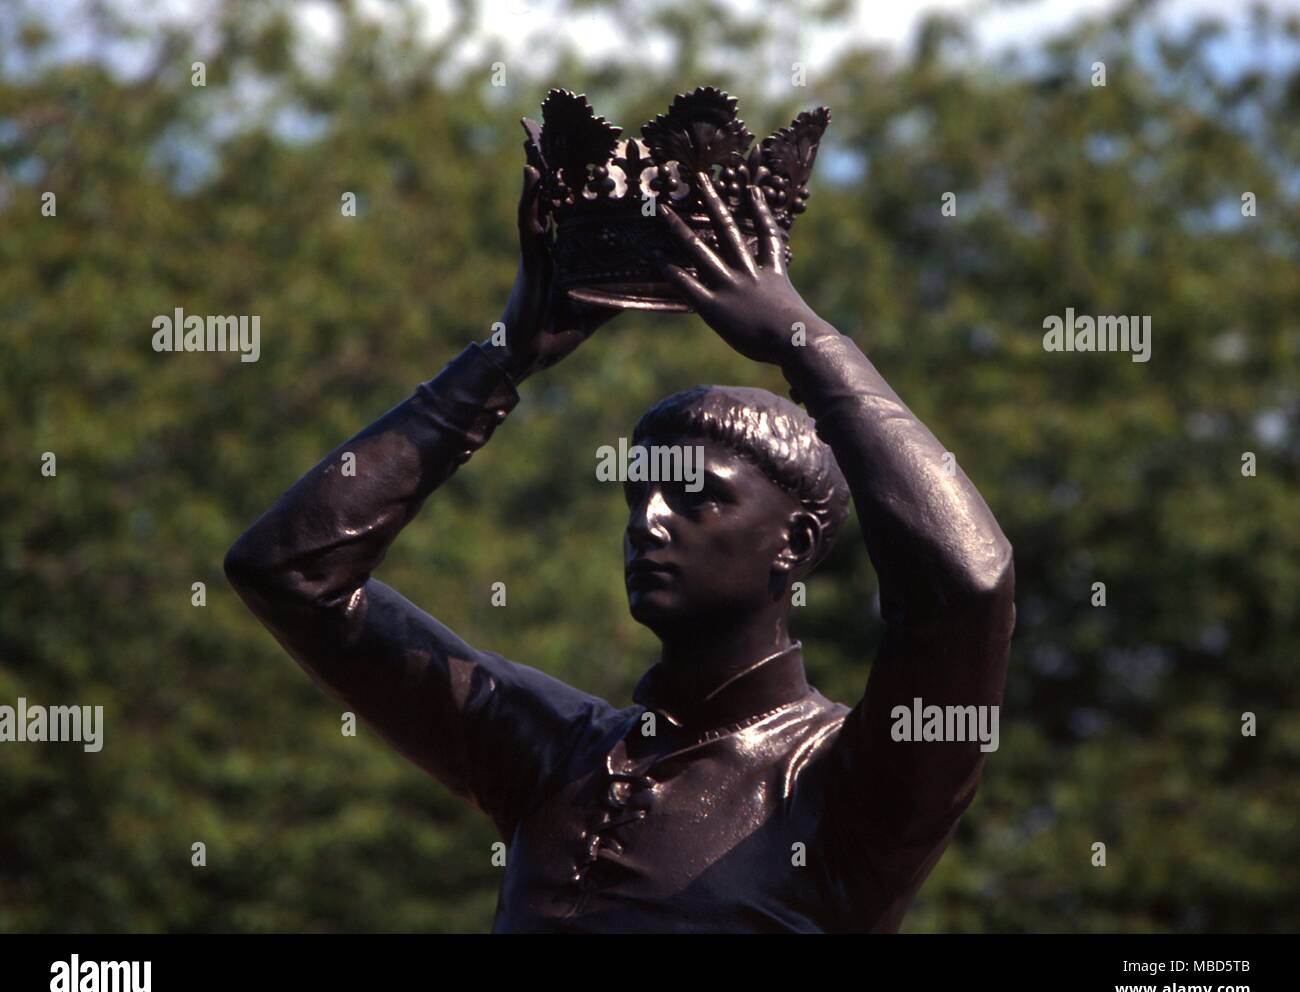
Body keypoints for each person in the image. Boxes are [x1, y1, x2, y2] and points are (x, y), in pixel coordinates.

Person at [225, 162, 1015, 933]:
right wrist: (504, 355)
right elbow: (292, 572)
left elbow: (969, 585)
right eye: (638, 494)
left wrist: (805, 343)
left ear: (797, 539)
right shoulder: (553, 754)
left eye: (694, 495)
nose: (650, 520)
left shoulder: (845, 786)